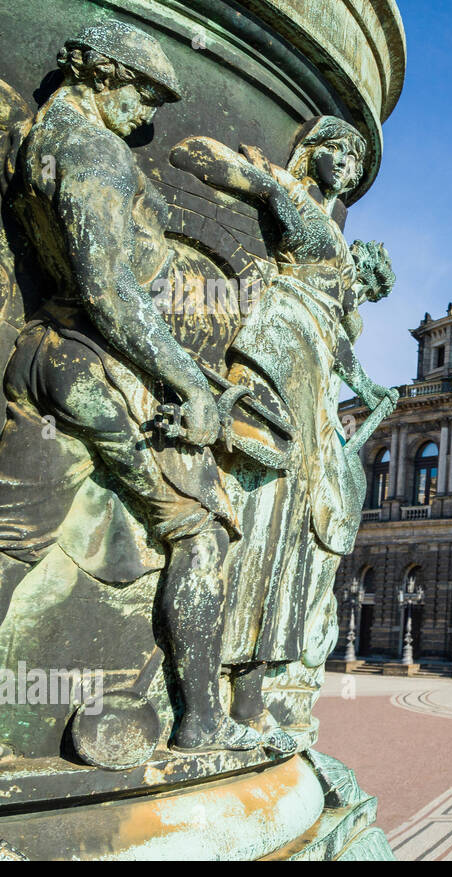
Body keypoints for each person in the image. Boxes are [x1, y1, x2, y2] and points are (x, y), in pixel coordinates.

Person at [0, 21, 260, 752]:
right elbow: (109, 286)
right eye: (142, 94)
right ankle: (204, 718)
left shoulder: (38, 136)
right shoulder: (94, 152)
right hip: (100, 363)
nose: (146, 116)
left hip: (40, 353)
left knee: (12, 538)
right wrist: (192, 386)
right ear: (101, 73)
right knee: (200, 528)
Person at [170, 117, 397, 736]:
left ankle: (252, 679)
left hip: (314, 363)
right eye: (339, 154)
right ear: (313, 153)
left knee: (293, 527)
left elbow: (341, 339)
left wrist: (372, 388)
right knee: (262, 509)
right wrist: (209, 160)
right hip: (278, 350)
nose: (348, 168)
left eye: (357, 160)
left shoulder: (338, 247)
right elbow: (203, 158)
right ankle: (221, 672)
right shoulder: (290, 197)